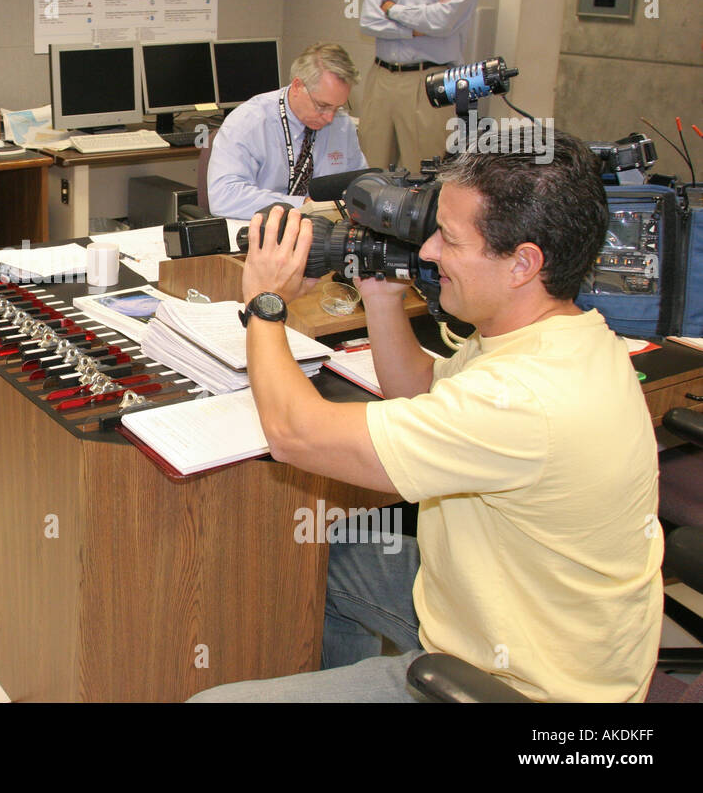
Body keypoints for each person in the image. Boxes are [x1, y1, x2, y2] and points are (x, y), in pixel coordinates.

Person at [191, 131, 662, 702]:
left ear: (522, 264)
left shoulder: (526, 396)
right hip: (514, 617)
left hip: (525, 690)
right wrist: (382, 299)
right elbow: (418, 391)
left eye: (451, 239)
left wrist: (263, 306)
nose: (431, 252)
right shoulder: (558, 335)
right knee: (327, 558)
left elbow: (296, 435)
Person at [358, 0, 479, 174]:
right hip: (382, 76)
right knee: (371, 168)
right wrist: (416, 27)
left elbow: (443, 21)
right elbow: (368, 21)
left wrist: (393, 9)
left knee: (425, 169)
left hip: (431, 79)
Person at [205, 43, 368, 219]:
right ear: (298, 86)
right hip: (260, 230)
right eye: (323, 106)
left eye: (338, 107)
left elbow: (359, 186)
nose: (329, 118)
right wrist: (302, 206)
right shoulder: (249, 122)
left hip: (324, 235)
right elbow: (224, 196)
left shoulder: (342, 125)